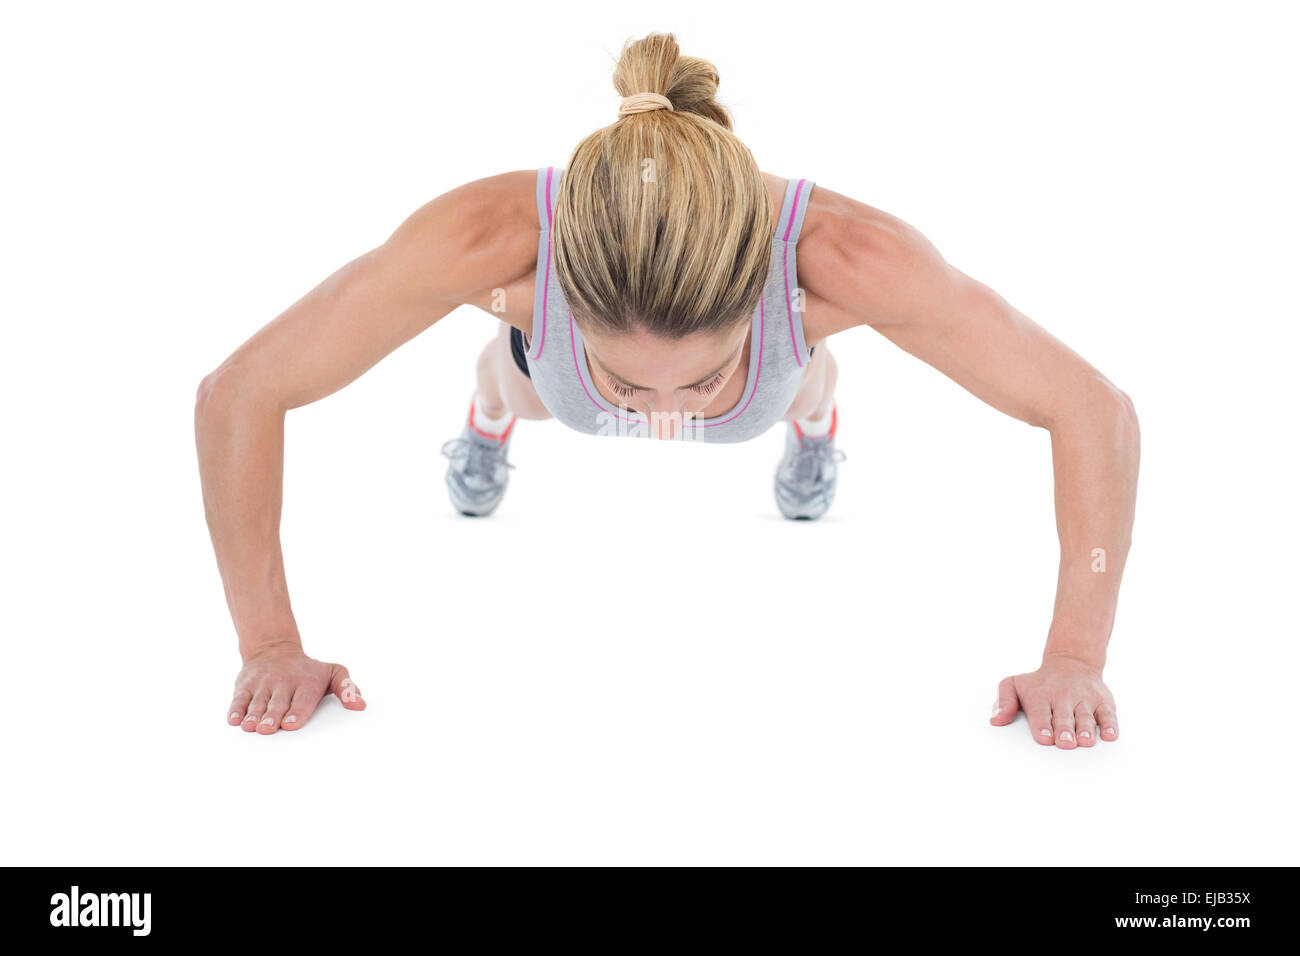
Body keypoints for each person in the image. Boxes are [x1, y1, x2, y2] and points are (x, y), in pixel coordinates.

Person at [195, 33, 1139, 747]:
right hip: (551, 372)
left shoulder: (850, 264)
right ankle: (490, 419)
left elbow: (1092, 408)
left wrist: (1075, 658)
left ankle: (809, 423)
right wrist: (269, 641)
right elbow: (239, 394)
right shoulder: (482, 248)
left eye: (695, 378)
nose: (662, 418)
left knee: (800, 389)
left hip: (777, 372)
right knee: (518, 380)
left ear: (769, 289)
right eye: (631, 382)